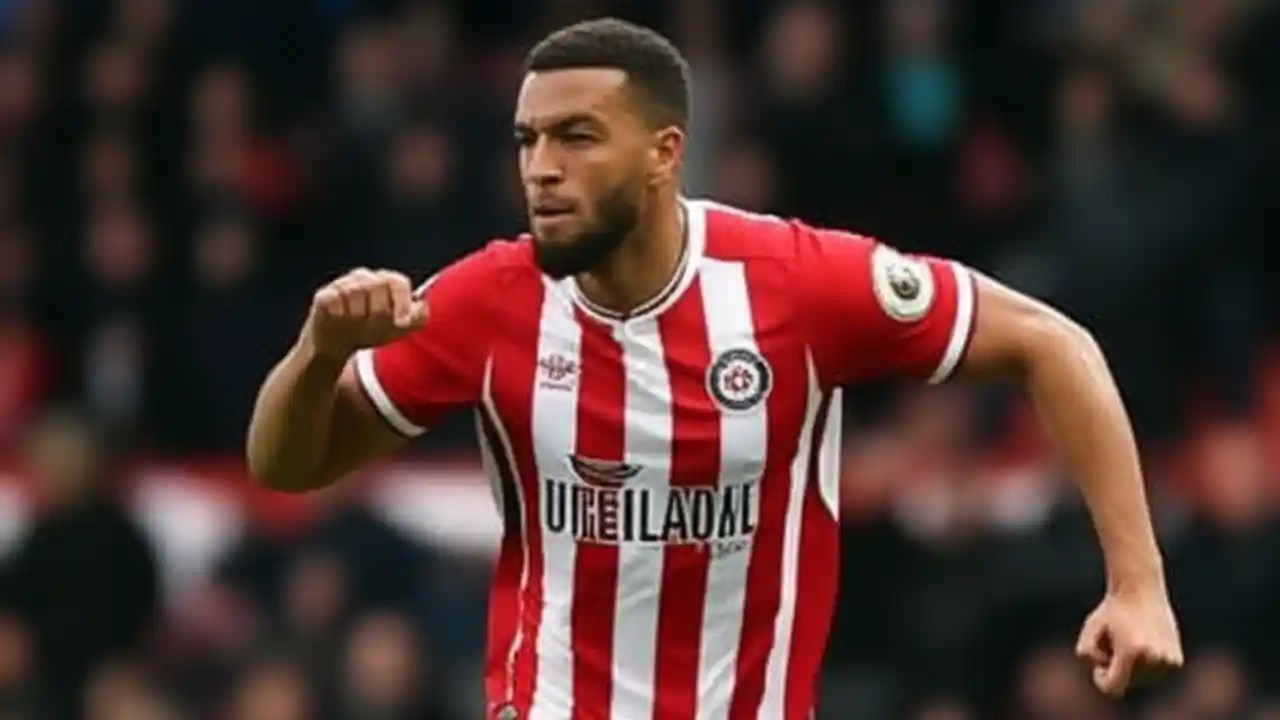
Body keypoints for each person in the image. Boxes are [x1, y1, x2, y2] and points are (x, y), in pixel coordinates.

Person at [246, 18, 1182, 719]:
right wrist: (318, 351)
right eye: (528, 140)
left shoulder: (796, 285)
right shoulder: (486, 301)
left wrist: (1137, 583)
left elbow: (1053, 342)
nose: (541, 168)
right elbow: (287, 465)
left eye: (577, 136)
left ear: (664, 155)